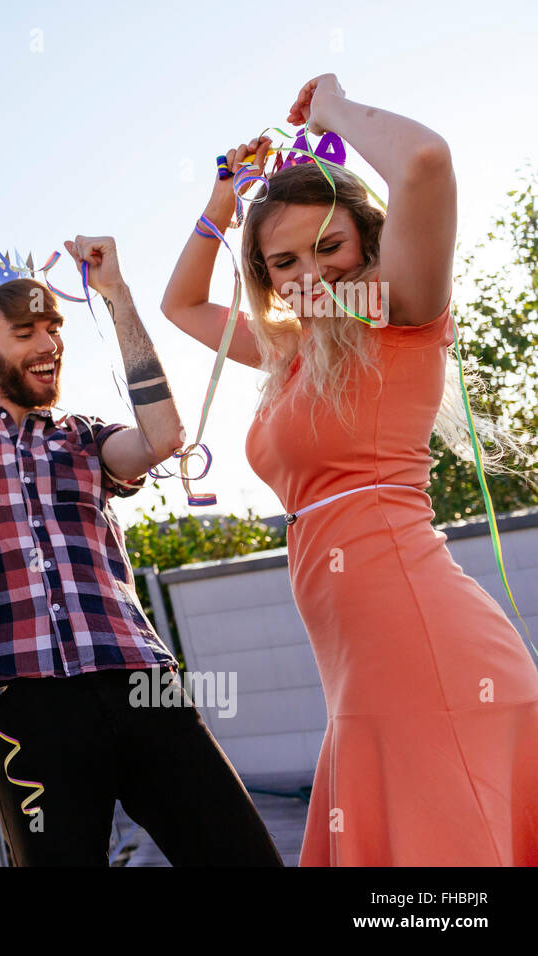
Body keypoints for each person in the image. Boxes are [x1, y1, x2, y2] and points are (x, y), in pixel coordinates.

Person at [160, 73, 538, 865]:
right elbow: (183, 305)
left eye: (328, 246)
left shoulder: (398, 310)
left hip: (422, 645)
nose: (311, 276)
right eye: (283, 262)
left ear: (366, 238)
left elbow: (426, 162)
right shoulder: (298, 349)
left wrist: (329, 106)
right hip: (359, 663)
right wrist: (223, 198)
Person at [0, 237, 284, 866]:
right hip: (20, 697)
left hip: (138, 680)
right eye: (24, 332)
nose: (47, 344)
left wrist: (117, 295)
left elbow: (163, 436)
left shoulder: (88, 437)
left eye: (52, 327)